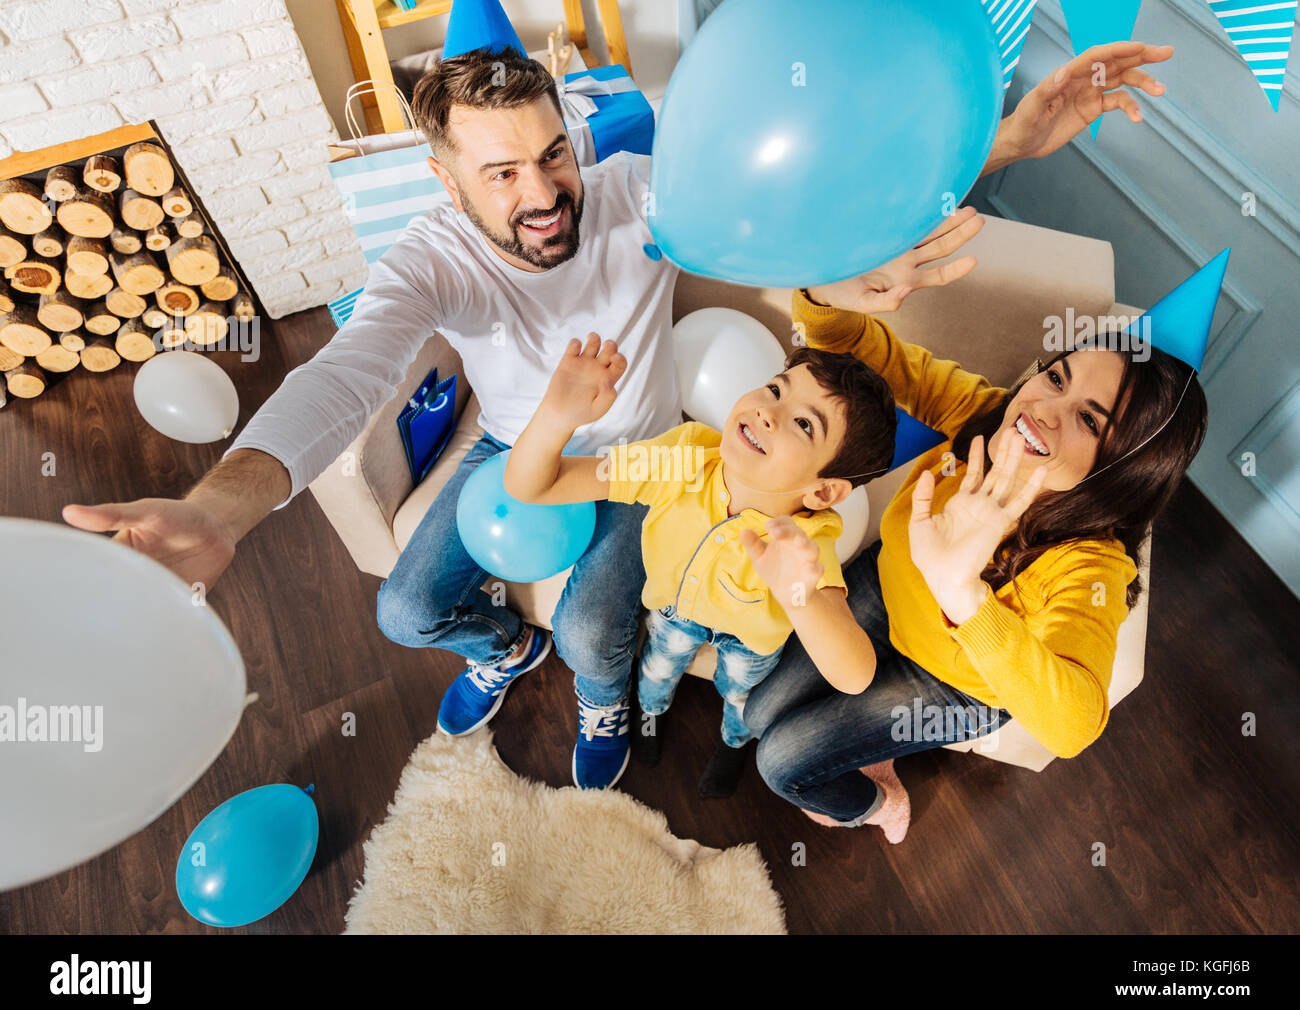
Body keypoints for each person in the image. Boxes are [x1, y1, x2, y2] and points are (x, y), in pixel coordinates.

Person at [58, 40, 1175, 790]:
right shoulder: (430, 264)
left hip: (650, 462)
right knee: (404, 611)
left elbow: (803, 222)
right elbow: (347, 375)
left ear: (573, 139)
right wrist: (224, 508)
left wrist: (1005, 143)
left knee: (609, 639)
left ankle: (607, 709)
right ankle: (503, 646)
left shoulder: (639, 198)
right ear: (446, 182)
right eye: (498, 175)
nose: (541, 193)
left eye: (551, 155)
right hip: (520, 453)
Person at [741, 206, 1209, 843]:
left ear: (1122, 469)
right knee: (757, 709)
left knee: (780, 763)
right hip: (881, 592)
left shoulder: (1090, 565)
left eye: (1089, 421)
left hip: (949, 683)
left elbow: (1073, 727)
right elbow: (852, 341)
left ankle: (874, 803)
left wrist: (963, 593)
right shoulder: (984, 414)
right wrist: (832, 291)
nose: (1042, 410)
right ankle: (865, 739)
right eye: (1056, 377)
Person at [504, 335, 896, 793]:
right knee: (653, 675)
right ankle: (650, 721)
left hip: (751, 644)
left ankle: (732, 743)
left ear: (824, 492)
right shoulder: (681, 459)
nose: (768, 411)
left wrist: (803, 597)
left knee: (739, 698)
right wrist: (556, 418)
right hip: (673, 615)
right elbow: (534, 487)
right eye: (775, 389)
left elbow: (854, 676)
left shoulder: (807, 540)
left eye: (805, 424)